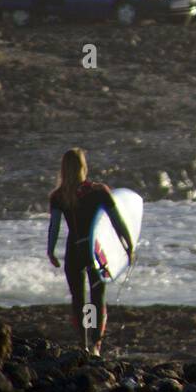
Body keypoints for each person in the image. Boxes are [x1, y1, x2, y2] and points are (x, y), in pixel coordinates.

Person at [46, 148, 132, 356]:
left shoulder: (59, 196)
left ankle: (83, 344)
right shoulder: (98, 191)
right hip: (95, 252)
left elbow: (55, 226)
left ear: (63, 169)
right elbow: (116, 220)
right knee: (97, 299)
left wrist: (51, 251)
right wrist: (128, 244)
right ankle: (96, 346)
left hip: (74, 250)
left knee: (79, 300)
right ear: (83, 167)